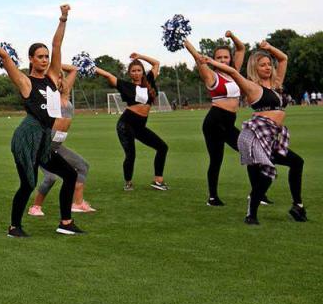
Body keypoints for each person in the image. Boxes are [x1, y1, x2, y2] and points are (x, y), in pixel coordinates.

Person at [0, 5, 84, 238]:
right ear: (31, 59)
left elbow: (57, 45)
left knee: (70, 174)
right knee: (28, 183)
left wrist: (63, 18)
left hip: (44, 137)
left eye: (46, 57)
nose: (45, 60)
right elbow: (4, 56)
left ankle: (65, 222)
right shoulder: (26, 82)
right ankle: (14, 227)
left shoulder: (53, 77)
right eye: (40, 57)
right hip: (28, 136)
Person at [204, 41, 306, 224]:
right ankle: (251, 213)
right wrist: (212, 61)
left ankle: (297, 206)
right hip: (257, 136)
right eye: (262, 64)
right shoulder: (252, 87)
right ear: (255, 68)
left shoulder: (276, 84)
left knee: (296, 162)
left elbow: (283, 59)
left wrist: (268, 48)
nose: (267, 67)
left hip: (272, 137)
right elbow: (233, 73)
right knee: (268, 173)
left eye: (269, 64)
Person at [184, 32, 246, 206]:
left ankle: (258, 194)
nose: (223, 60)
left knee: (249, 152)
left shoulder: (234, 73)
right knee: (216, 159)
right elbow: (197, 58)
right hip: (214, 123)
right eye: (219, 57)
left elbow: (241, 48)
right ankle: (212, 197)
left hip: (229, 122)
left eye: (226, 57)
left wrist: (231, 36)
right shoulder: (211, 75)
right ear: (213, 59)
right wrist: (185, 41)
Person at [28, 63, 95, 216]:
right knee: (51, 177)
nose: (58, 80)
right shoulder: (46, 95)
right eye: (54, 76)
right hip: (42, 145)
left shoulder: (65, 94)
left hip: (57, 145)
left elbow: (73, 69)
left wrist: (55, 64)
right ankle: (35, 207)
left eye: (60, 77)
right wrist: (48, 67)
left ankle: (77, 204)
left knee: (83, 166)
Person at [94, 54, 169, 190]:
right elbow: (108, 76)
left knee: (162, 147)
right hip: (126, 124)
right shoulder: (125, 85)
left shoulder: (149, 81)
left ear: (142, 71)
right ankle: (128, 182)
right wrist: (92, 67)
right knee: (131, 154)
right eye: (133, 71)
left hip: (140, 127)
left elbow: (156, 63)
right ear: (129, 73)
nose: (136, 73)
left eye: (139, 70)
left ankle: (158, 180)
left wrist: (139, 56)